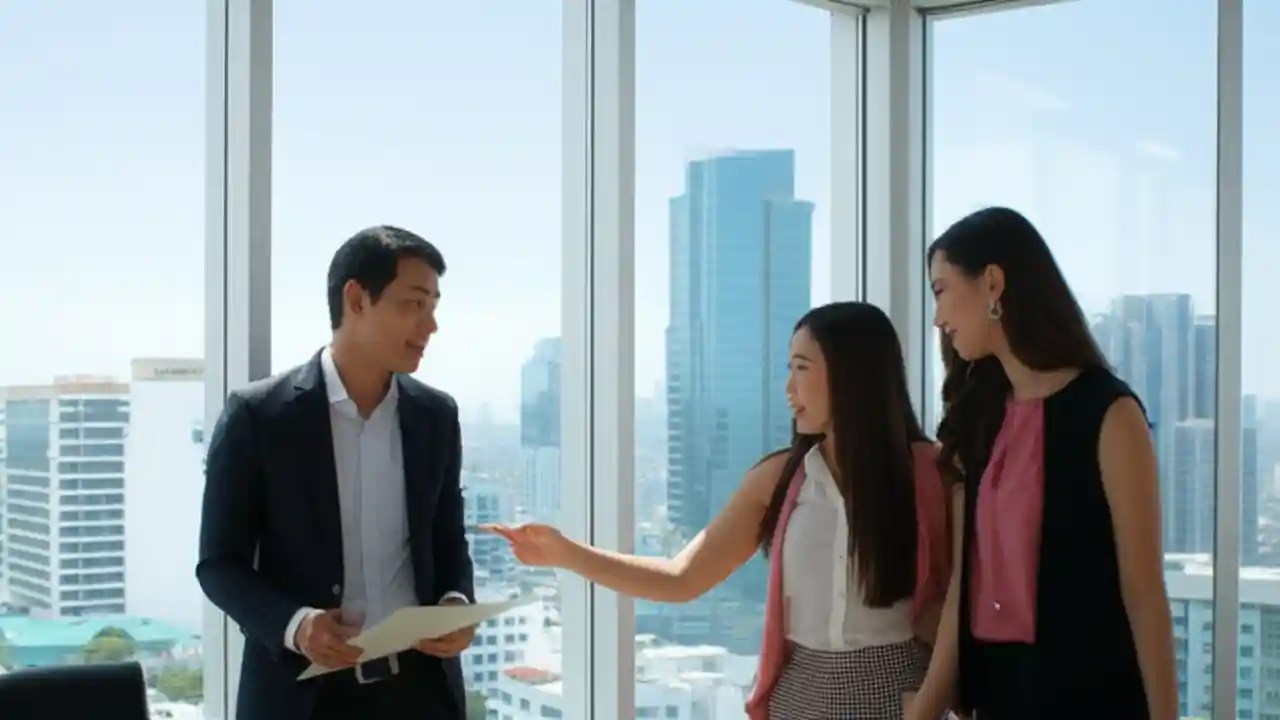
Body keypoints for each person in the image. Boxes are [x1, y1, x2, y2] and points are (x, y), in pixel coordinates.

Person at [484, 302, 952, 719]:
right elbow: (682, 577)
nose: (789, 388)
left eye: (801, 368)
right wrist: (566, 553)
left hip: (902, 696)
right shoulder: (780, 479)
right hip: (798, 696)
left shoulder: (935, 475)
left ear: (851, 375)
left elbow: (957, 609)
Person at [905, 207, 1178, 720]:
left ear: (992, 283)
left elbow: (1144, 593)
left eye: (940, 290)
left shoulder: (1109, 413)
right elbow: (967, 582)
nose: (937, 317)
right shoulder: (980, 420)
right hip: (1000, 698)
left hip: (1095, 698)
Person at [197, 226, 477, 720]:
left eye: (434, 306)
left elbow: (447, 536)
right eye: (414, 303)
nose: (431, 325)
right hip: (303, 698)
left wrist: (456, 602)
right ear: (357, 298)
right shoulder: (260, 415)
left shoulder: (435, 415)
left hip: (420, 694)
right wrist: (296, 625)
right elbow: (219, 564)